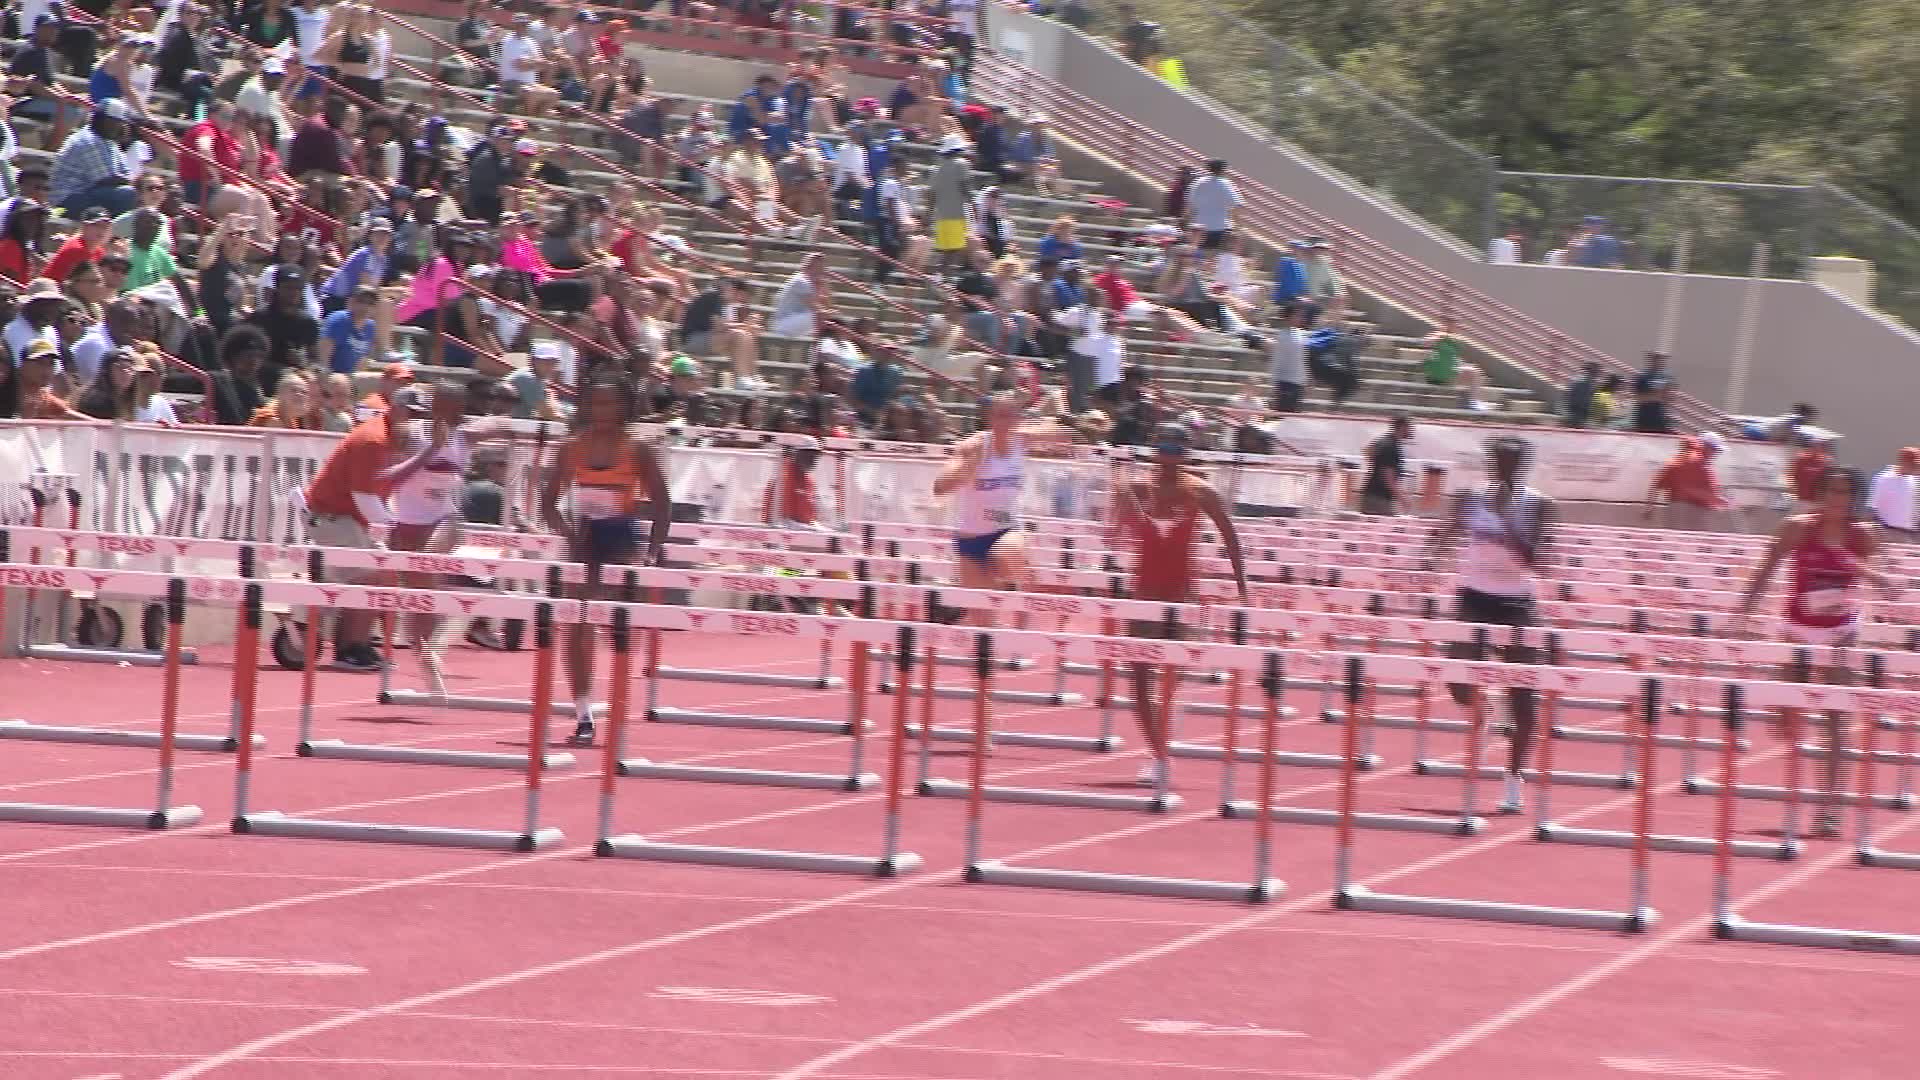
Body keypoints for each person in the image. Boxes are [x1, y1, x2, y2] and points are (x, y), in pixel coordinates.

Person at [1739, 466, 1896, 838]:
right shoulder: (1797, 527)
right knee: (1786, 720)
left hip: (1841, 632)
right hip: (1797, 629)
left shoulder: (1866, 534)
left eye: (1844, 493)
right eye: (1830, 492)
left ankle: (1830, 809)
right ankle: (1785, 713)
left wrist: (1870, 574)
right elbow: (1766, 567)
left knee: (1837, 722)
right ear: (1819, 495)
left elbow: (1878, 574)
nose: (1836, 500)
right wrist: (1744, 610)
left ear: (1854, 498)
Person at [1112, 422, 1248, 788]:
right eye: (1164, 445)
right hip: (1143, 594)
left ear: (1188, 451)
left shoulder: (1200, 491)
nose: (1170, 453)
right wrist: (1121, 504)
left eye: (1178, 446)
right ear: (1154, 447)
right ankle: (1159, 754)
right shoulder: (1137, 489)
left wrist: (1242, 589)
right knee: (1139, 684)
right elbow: (1114, 535)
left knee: (1170, 682)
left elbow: (1231, 538)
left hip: (1181, 597)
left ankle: (1160, 753)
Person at [1424, 437, 1555, 815]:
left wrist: (1512, 529)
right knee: (1460, 688)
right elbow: (1447, 532)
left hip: (1518, 599)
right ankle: (1489, 704)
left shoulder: (1540, 504)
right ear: (1492, 462)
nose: (1505, 466)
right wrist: (1429, 555)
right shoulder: (1470, 497)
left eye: (1513, 461)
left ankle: (1514, 777)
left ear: (1523, 465)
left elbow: (1541, 561)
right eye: (1499, 460)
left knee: (1527, 695)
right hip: (1473, 595)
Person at [539, 375, 672, 747]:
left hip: (622, 539)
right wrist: (567, 533)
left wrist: (652, 551)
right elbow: (547, 503)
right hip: (584, 539)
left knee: (617, 630)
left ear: (624, 408)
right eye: (595, 404)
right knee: (576, 626)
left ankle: (618, 698)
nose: (602, 412)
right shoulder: (571, 448)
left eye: (610, 404)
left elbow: (662, 505)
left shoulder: (638, 449)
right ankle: (583, 712)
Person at [380, 381, 473, 696]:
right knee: (420, 597)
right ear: (434, 404)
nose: (450, 412)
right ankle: (427, 658)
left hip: (444, 519)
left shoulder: (465, 436)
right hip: (406, 522)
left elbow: (498, 427)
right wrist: (429, 451)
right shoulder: (409, 432)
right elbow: (388, 477)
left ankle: (433, 649)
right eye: (443, 404)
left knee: (427, 566)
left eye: (456, 406)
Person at [303, 400, 401, 671]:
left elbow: (383, 494)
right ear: (398, 411)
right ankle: (347, 649)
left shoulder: (397, 441)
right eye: (414, 415)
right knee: (368, 575)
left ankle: (358, 643)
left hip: (351, 519)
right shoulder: (372, 440)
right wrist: (393, 528)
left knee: (386, 575)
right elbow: (364, 497)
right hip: (331, 517)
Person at [1644, 434, 1727, 531]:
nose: (1716, 453)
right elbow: (1695, 490)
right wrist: (1719, 501)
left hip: (1677, 509)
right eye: (1715, 450)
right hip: (1693, 511)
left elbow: (1657, 484)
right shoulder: (1699, 463)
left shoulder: (1674, 462)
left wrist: (1649, 507)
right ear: (1705, 446)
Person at [1359, 414, 1413, 516]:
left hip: (1369, 495)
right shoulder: (1392, 447)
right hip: (1379, 499)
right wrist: (1404, 499)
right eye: (1409, 428)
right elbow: (1389, 479)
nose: (1410, 431)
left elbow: (1367, 451)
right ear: (1402, 427)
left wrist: (1375, 467)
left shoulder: (1381, 441)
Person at [1869, 448, 1919, 535]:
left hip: (1912, 534)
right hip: (1888, 532)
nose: (1917, 467)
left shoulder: (1915, 480)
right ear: (1904, 461)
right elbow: (1874, 508)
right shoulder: (1884, 479)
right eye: (1914, 463)